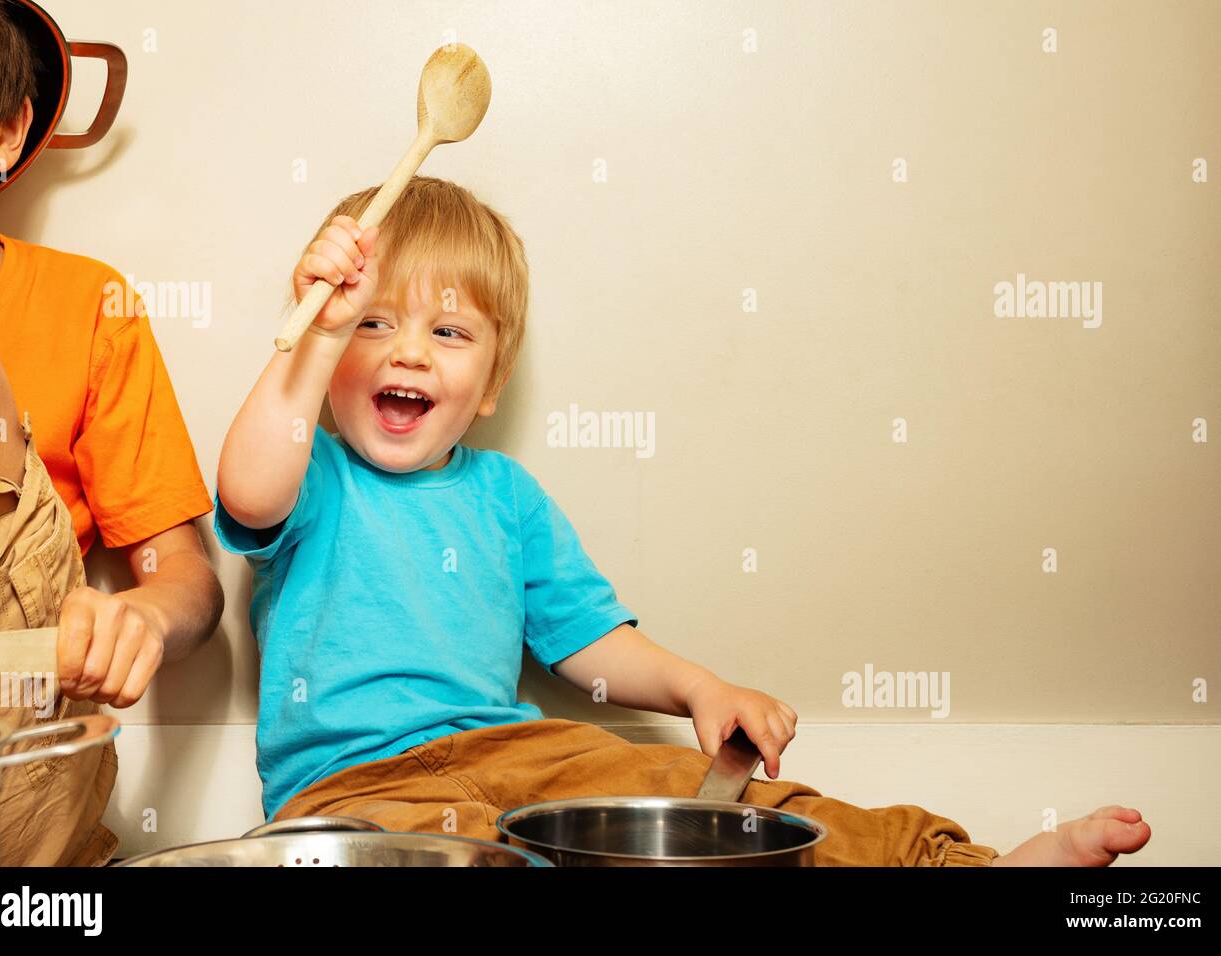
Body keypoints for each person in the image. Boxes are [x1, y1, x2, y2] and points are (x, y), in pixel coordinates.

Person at [214, 175, 1151, 866]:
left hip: (534, 758)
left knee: (753, 817)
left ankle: (952, 870)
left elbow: (591, 646)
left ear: (492, 382)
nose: (406, 352)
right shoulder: (312, 469)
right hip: (360, 796)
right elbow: (251, 491)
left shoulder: (505, 498)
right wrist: (317, 333)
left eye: (448, 332)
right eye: (371, 325)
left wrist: (701, 689)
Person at [0, 0, 223, 864]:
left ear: (5, 130)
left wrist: (139, 615)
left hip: (3, 754)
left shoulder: (84, 303)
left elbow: (184, 575)